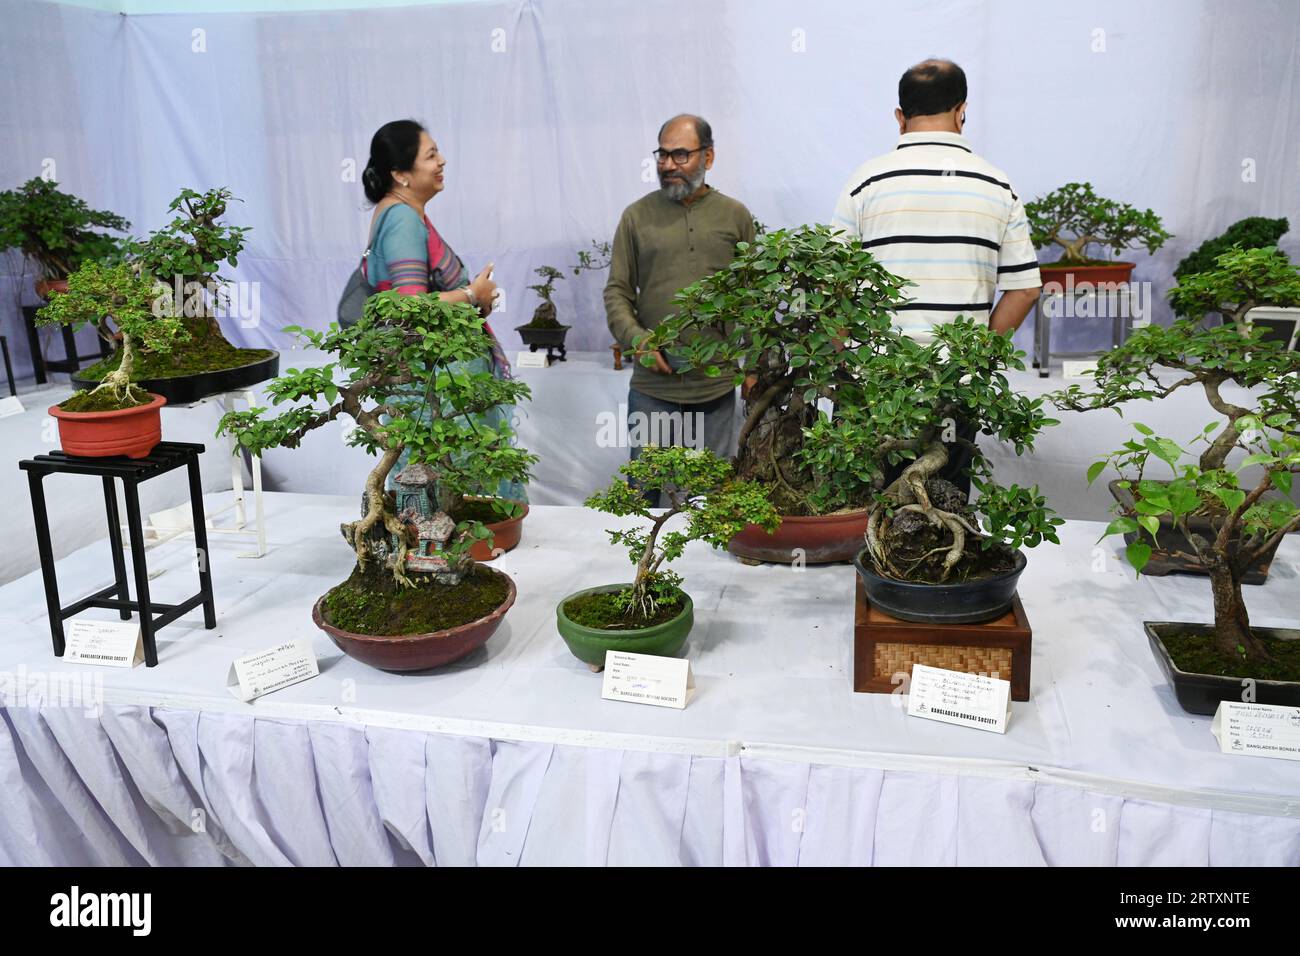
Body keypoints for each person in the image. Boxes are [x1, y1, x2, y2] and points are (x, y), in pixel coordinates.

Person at [831, 59, 1042, 495]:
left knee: (861, 509)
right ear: (962, 110)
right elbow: (1024, 289)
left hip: (872, 384)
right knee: (943, 512)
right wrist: (977, 358)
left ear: (900, 116)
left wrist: (845, 365)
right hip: (956, 385)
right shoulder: (997, 185)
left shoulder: (864, 183)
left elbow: (832, 289)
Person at [360, 119, 524, 503]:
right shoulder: (401, 219)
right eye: (431, 155)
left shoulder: (403, 212)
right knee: (447, 471)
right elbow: (408, 307)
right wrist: (472, 293)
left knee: (444, 470)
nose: (442, 161)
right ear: (400, 173)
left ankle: (456, 545)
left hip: (436, 379)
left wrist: (475, 296)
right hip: (434, 382)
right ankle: (456, 549)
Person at [605, 114, 756, 475]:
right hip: (652, 388)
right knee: (646, 491)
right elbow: (617, 292)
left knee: (708, 495)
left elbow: (752, 298)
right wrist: (638, 339)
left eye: (680, 155)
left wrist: (753, 369)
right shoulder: (637, 216)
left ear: (708, 157)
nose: (668, 165)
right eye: (663, 155)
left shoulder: (735, 216)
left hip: (716, 387)